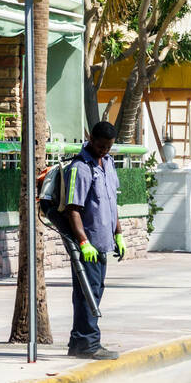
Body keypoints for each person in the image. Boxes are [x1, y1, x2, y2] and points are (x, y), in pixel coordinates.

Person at [62, 121, 124, 360]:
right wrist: (83, 241)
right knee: (87, 293)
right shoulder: (80, 168)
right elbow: (73, 208)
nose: (104, 151)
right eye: (100, 146)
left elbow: (111, 203)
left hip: (104, 241)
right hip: (88, 243)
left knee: (95, 291)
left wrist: (118, 233)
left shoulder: (108, 164)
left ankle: (79, 341)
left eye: (108, 147)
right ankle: (88, 343)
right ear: (91, 139)